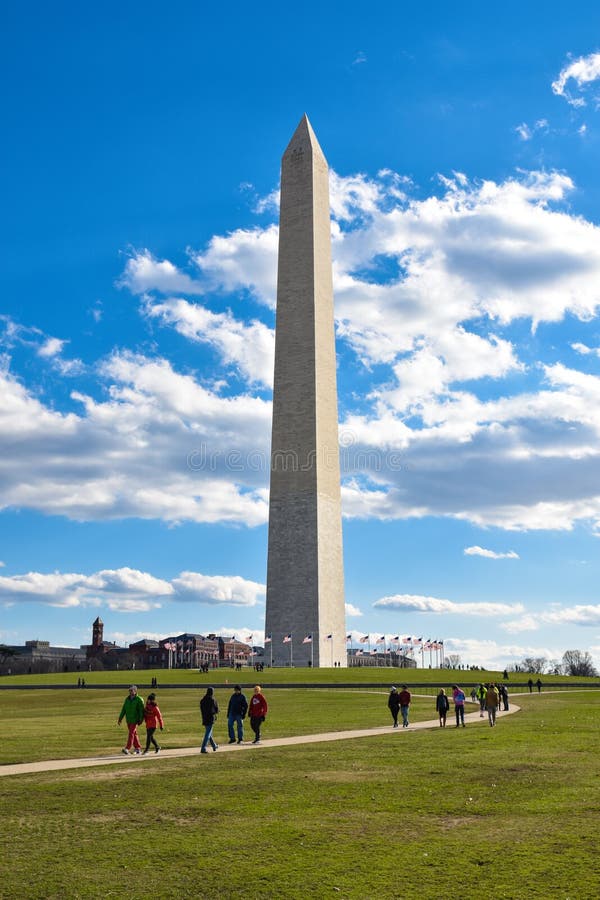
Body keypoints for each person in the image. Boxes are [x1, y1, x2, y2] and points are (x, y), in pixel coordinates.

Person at [117, 685, 145, 754]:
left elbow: (141, 711)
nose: (130, 692)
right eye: (129, 690)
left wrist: (141, 719)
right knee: (134, 734)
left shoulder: (139, 699)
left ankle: (127, 748)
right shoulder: (127, 699)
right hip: (128, 720)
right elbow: (124, 709)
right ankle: (138, 748)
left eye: (131, 690)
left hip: (135, 720)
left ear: (135, 691)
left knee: (131, 733)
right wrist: (120, 718)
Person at [200, 687, 219, 753]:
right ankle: (203, 748)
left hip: (204, 718)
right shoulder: (213, 700)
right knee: (208, 734)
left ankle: (214, 745)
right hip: (210, 718)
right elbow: (216, 710)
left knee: (209, 733)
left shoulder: (202, 700)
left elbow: (202, 709)